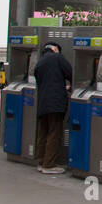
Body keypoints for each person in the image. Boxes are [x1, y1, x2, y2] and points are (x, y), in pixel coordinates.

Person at [32, 43, 72, 175]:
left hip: (43, 101)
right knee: (55, 133)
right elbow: (71, 73)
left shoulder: (40, 62)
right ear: (55, 50)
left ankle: (41, 161)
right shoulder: (57, 58)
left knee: (43, 131)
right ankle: (49, 165)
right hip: (55, 102)